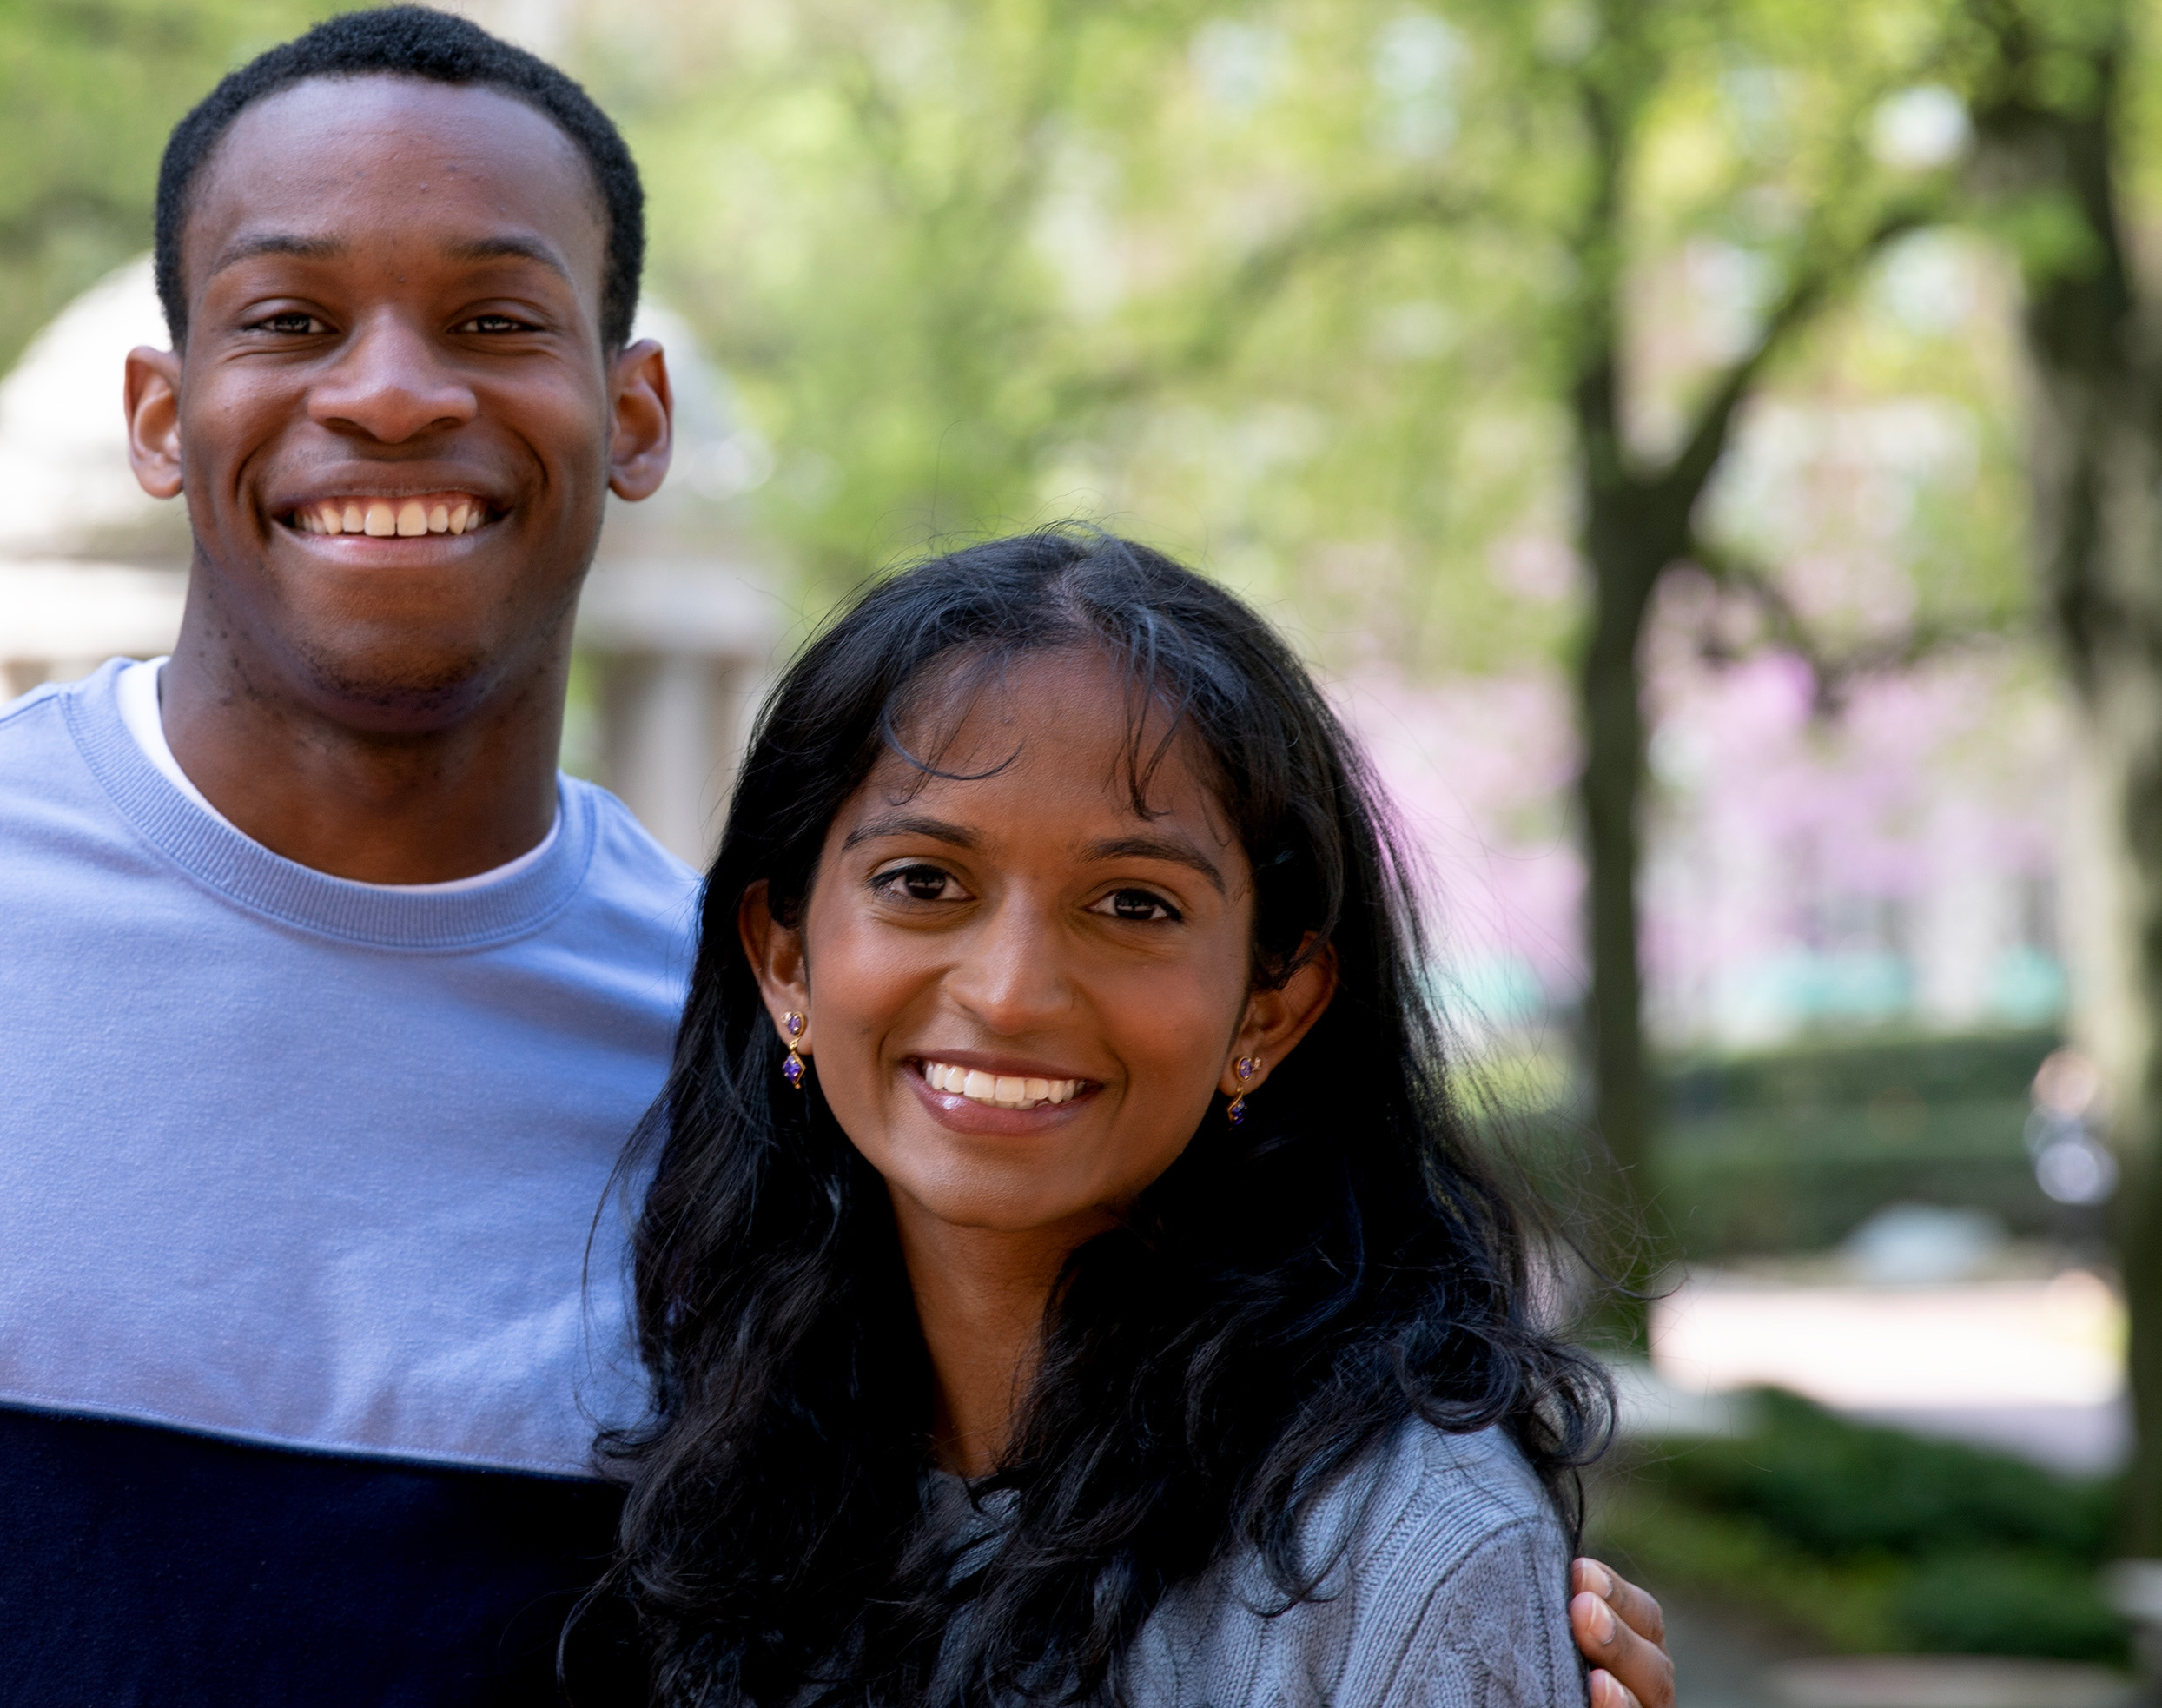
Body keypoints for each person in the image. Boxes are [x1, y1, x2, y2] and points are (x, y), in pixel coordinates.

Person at [0, 6, 1676, 1706]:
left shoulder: (756, 1089)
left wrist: (1451, 1623)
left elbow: (1042, 1544)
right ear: (165, 417)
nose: (391, 390)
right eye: (290, 317)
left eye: (495, 318)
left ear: (631, 413)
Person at [595, 528, 1633, 1706]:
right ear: (787, 959)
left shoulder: (1409, 1554)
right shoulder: (721, 1464)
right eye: (924, 882)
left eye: (1133, 903)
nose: (1010, 990)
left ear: (1270, 1006)